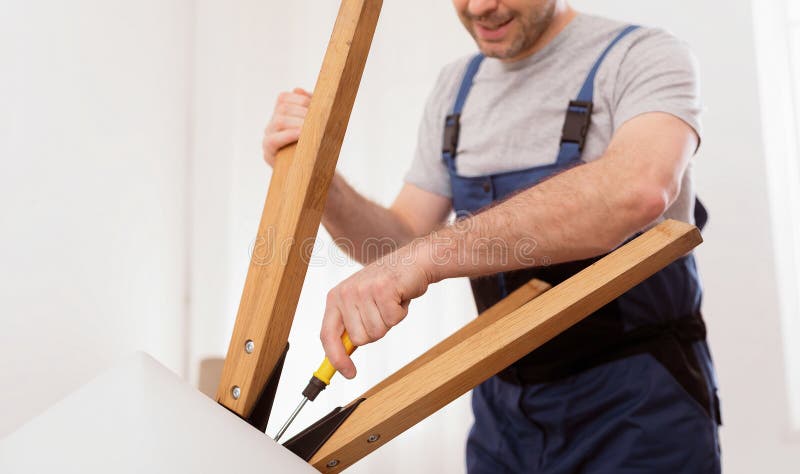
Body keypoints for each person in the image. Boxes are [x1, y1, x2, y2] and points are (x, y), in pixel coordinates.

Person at [262, 1, 721, 471]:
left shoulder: (643, 56)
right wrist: (325, 184)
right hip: (503, 417)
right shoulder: (457, 88)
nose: (480, 7)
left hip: (637, 406)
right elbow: (398, 244)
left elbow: (636, 191)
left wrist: (423, 259)